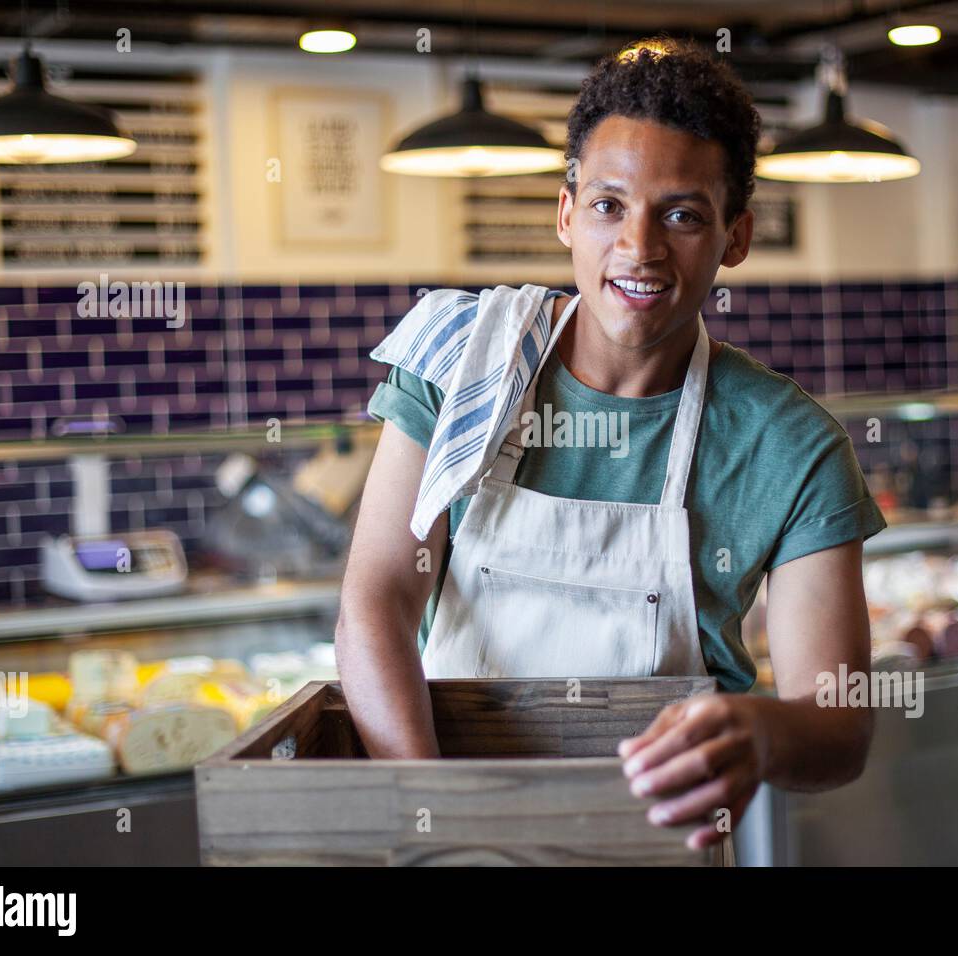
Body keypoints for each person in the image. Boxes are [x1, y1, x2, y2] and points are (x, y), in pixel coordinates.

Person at [336, 39, 887, 851]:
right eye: (608, 206)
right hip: (448, 824)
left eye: (682, 214)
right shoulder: (463, 367)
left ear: (736, 235)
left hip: (653, 848)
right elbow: (375, 603)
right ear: (566, 214)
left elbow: (838, 725)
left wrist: (762, 734)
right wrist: (438, 821)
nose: (640, 248)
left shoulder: (791, 446)